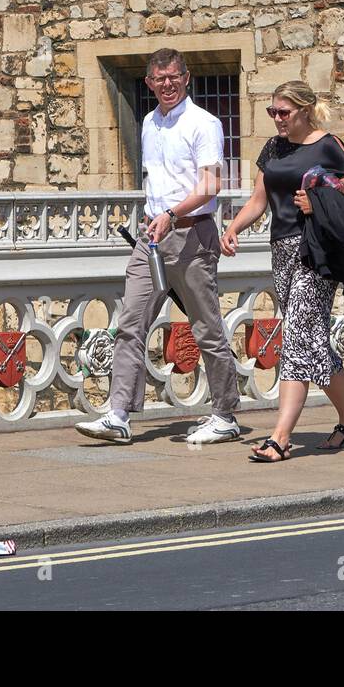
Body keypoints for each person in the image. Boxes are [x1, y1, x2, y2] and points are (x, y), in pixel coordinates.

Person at [76, 49, 242, 445]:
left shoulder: (205, 123)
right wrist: (154, 214)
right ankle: (118, 414)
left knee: (206, 328)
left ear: (186, 78)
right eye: (158, 79)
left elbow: (211, 184)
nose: (166, 84)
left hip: (193, 235)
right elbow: (158, 180)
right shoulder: (149, 122)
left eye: (173, 77)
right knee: (130, 324)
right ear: (149, 83)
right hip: (152, 238)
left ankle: (225, 413)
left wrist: (170, 212)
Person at [220, 81, 344, 462]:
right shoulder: (273, 148)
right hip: (281, 251)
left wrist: (316, 201)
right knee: (312, 340)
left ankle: (280, 437)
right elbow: (258, 201)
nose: (277, 119)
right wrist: (234, 228)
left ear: (304, 110)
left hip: (316, 253)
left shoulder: (328, 145)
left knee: (297, 335)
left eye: (283, 112)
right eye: (273, 113)